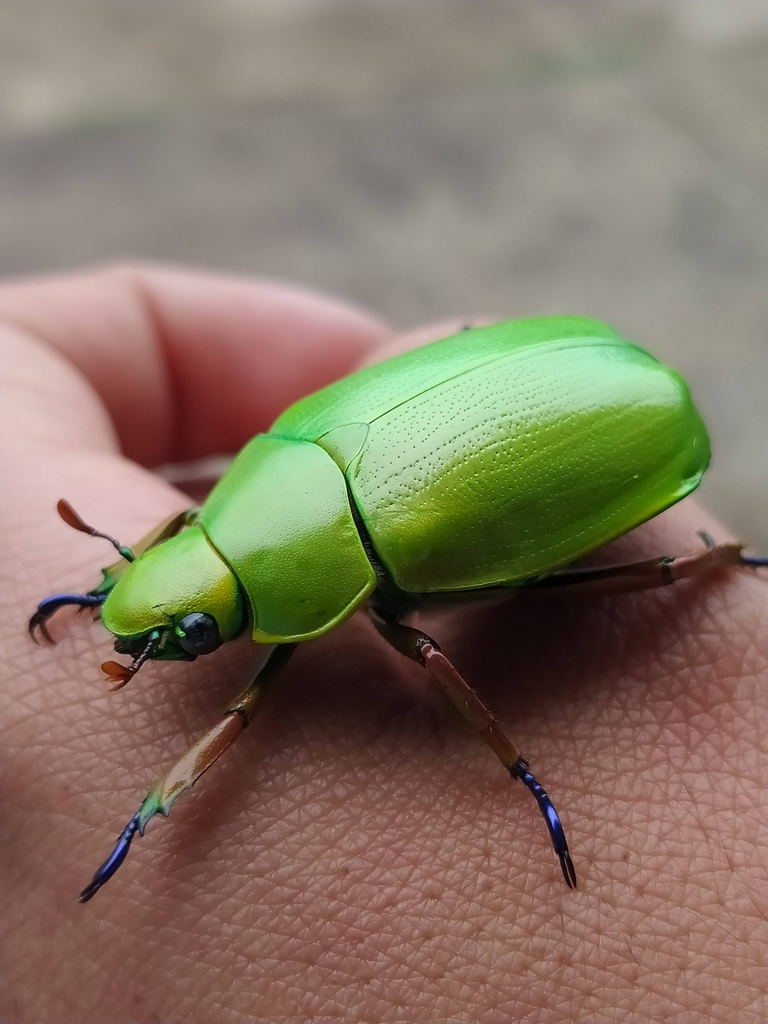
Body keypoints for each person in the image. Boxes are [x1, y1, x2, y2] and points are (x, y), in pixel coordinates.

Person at [1, 264, 765, 1023]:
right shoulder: (277, 451)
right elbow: (185, 526)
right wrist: (115, 588)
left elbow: (245, 687)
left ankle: (692, 585)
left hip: (612, 426)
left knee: (511, 620)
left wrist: (521, 770)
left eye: (200, 631)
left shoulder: (357, 537)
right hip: (537, 361)